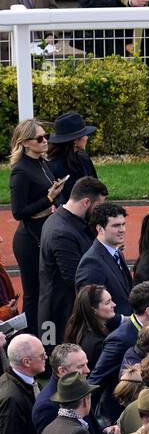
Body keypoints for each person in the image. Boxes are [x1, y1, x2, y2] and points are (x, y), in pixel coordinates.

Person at [8, 118, 64, 320]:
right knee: (33, 294)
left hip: (44, 231)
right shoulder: (21, 171)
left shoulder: (41, 162)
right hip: (29, 239)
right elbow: (18, 211)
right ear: (24, 142)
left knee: (49, 289)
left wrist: (56, 195)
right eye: (39, 138)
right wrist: (48, 198)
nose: (45, 141)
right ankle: (27, 341)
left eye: (46, 136)